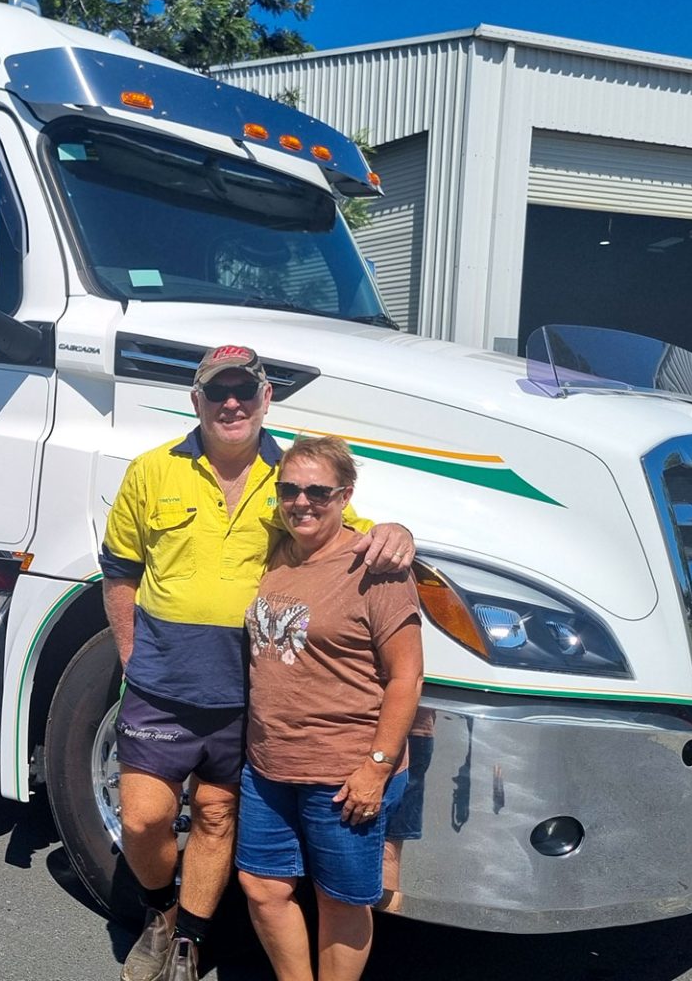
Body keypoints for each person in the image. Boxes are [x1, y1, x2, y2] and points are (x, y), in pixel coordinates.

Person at [100, 346, 415, 981]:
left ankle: (188, 941)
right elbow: (120, 570)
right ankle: (159, 911)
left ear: (266, 398)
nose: (232, 403)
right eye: (218, 392)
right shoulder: (151, 470)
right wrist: (132, 655)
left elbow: (345, 532)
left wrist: (398, 532)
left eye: (245, 390)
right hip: (162, 686)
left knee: (216, 817)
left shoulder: (288, 478)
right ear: (197, 401)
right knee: (144, 816)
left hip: (245, 694)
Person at [237, 435, 424, 981]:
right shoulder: (276, 554)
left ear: (345, 496)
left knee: (340, 900)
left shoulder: (376, 568)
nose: (302, 502)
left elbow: (407, 677)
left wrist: (376, 768)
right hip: (268, 765)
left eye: (318, 491)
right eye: (290, 489)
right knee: (261, 885)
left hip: (344, 770)